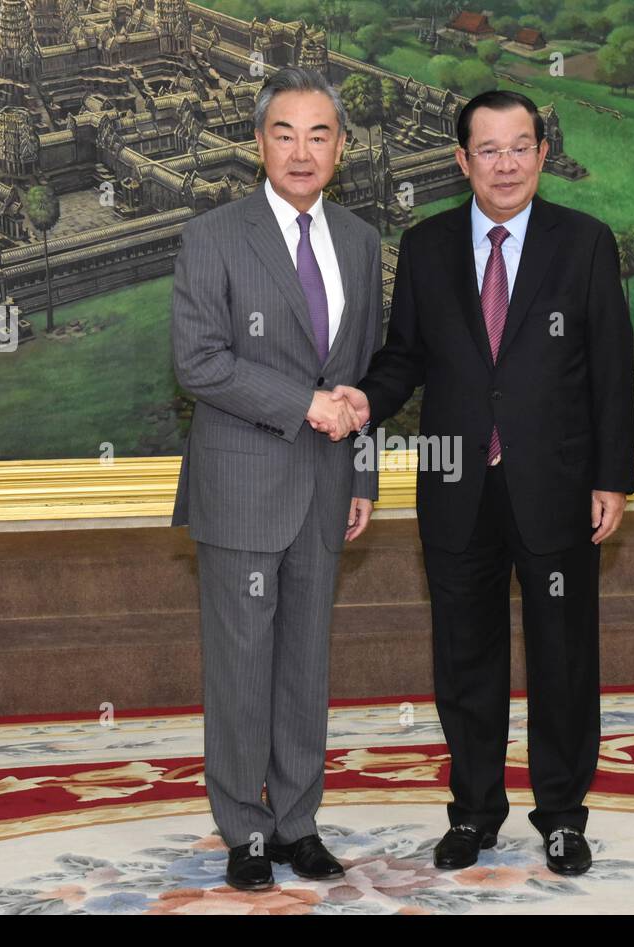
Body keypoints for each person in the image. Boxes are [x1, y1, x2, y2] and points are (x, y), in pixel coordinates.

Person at [332, 90, 634, 876]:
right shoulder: (428, 245)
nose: (506, 164)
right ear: (461, 160)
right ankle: (473, 812)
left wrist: (614, 477)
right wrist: (367, 397)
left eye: (521, 146)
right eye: (488, 150)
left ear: (541, 152)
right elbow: (406, 355)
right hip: (456, 483)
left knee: (563, 655)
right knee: (465, 656)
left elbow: (610, 371)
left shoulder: (585, 242)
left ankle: (564, 816)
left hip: (559, 485)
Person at [170, 66, 379, 891]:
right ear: (258, 144)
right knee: (241, 661)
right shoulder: (214, 235)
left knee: (305, 664)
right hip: (241, 486)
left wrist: (361, 470)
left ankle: (297, 821)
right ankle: (244, 831)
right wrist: (305, 406)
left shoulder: (361, 242)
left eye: (319, 134)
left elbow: (360, 372)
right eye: (284, 134)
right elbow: (199, 362)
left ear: (340, 148)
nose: (302, 150)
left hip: (328, 489)